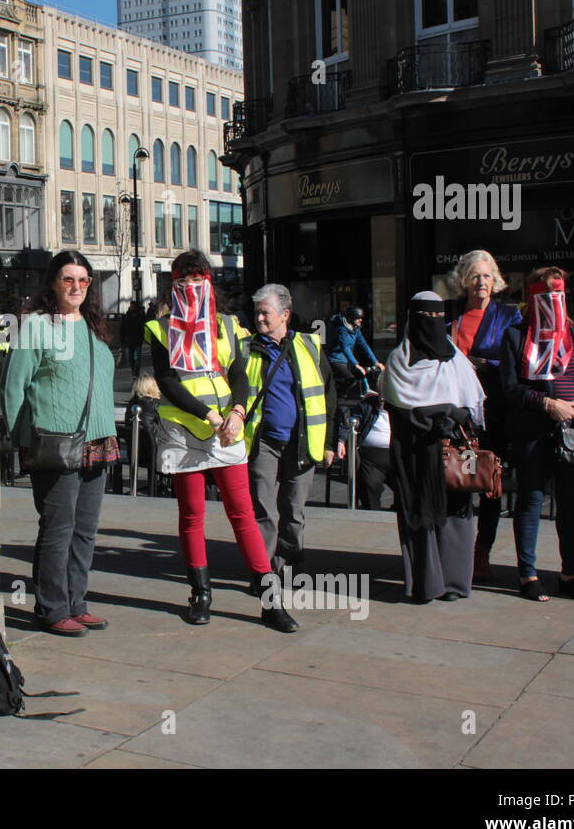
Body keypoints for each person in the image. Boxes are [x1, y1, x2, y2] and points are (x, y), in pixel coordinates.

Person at [144, 252, 297, 632]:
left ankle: (268, 600)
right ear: (174, 284)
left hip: (227, 430)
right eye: (184, 280)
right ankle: (201, 595)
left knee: (243, 513)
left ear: (209, 283)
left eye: (199, 279)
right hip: (185, 432)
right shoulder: (161, 329)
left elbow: (239, 374)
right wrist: (210, 416)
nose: (192, 287)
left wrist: (238, 412)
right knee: (192, 514)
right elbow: (167, 383)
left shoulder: (228, 326)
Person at [3, 250, 118, 636]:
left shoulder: (91, 325)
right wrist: (23, 443)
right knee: (58, 528)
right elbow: (15, 386)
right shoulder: (36, 326)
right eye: (68, 279)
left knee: (85, 529)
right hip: (55, 441)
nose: (76, 287)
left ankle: (76, 602)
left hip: (98, 440)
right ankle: (52, 608)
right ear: (54, 282)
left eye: (83, 280)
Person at [500, 267, 574, 602]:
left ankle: (570, 572)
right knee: (530, 499)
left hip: (572, 430)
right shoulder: (516, 336)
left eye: (558, 292)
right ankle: (527, 574)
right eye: (545, 293)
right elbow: (510, 388)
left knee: (571, 504)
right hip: (534, 431)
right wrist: (546, 403)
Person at [382, 292, 487, 603]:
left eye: (437, 317)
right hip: (414, 452)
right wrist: (438, 415)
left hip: (453, 451)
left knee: (457, 513)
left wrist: (452, 416)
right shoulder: (399, 361)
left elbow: (473, 403)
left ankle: (455, 582)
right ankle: (427, 584)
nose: (431, 324)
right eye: (424, 317)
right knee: (420, 513)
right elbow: (399, 409)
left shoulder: (457, 361)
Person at [242, 284, 337, 575]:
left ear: (285, 314)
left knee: (294, 511)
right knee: (264, 510)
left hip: (303, 441)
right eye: (257, 313)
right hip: (262, 442)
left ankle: (289, 564)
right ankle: (263, 572)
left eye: (265, 313)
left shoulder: (309, 347)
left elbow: (328, 396)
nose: (259, 319)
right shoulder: (246, 349)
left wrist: (330, 442)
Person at [447, 250, 523, 580]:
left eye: (487, 276)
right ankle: (456, 550)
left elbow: (519, 360)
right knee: (457, 479)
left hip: (495, 411)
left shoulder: (509, 316)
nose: (481, 282)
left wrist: (483, 364)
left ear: (496, 282)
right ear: (464, 281)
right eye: (475, 276)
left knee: (490, 484)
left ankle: (482, 551)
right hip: (458, 415)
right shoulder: (450, 316)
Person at [334, 391, 392, 511]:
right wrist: (342, 440)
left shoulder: (405, 407)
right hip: (371, 459)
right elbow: (350, 421)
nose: (383, 400)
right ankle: (372, 515)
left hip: (398, 456)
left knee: (409, 486)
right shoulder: (368, 405)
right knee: (368, 484)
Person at [327, 306, 384, 399]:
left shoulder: (356, 329)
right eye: (358, 318)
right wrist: (356, 365)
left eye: (361, 318)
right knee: (351, 379)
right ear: (350, 318)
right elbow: (345, 348)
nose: (361, 320)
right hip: (335, 360)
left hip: (346, 360)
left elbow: (364, 345)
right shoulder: (341, 330)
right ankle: (336, 398)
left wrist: (376, 362)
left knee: (362, 375)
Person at [122, 301, 147, 375]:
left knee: (137, 358)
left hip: (138, 341)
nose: (132, 307)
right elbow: (123, 329)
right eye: (131, 306)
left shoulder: (140, 316)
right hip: (130, 341)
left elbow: (143, 328)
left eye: (133, 306)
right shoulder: (127, 316)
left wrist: (142, 337)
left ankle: (136, 373)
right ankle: (133, 370)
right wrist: (122, 341)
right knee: (131, 359)